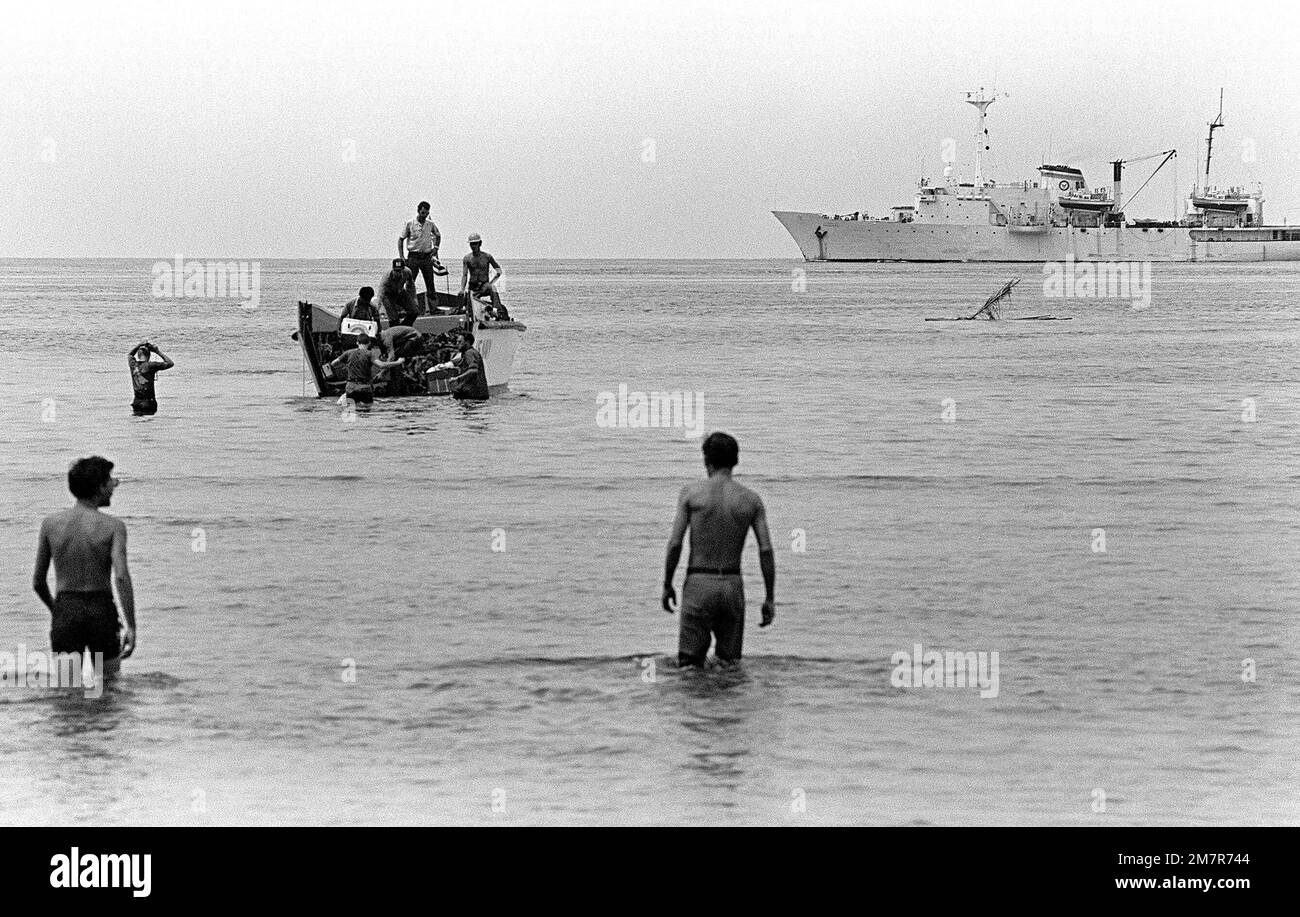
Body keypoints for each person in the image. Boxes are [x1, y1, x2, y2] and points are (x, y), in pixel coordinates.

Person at [661, 432, 775, 667]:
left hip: (699, 582)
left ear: (706, 460)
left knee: (689, 666)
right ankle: (730, 703)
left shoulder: (691, 494)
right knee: (730, 666)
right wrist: (769, 597)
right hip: (732, 585)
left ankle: (697, 703)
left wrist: (667, 584)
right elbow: (765, 550)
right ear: (736, 460)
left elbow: (675, 543)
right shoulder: (751, 500)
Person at [32, 456, 136, 680]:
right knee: (109, 687)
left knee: (66, 688)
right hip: (101, 611)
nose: (113, 487)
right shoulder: (114, 527)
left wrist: (57, 610)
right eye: (110, 482)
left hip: (66, 608)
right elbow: (120, 578)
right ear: (99, 488)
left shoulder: (50, 524)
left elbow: (38, 582)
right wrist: (131, 626)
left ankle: (73, 715)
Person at [327, 332, 405, 405]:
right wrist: (398, 362)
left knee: (350, 413)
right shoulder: (369, 354)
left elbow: (333, 363)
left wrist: (346, 365)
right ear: (369, 343)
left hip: (350, 387)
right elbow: (381, 365)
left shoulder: (348, 353)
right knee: (366, 413)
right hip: (365, 388)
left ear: (357, 343)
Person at [398, 201, 446, 301]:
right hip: (413, 257)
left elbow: (438, 235)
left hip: (426, 257)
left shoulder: (430, 224)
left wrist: (436, 248)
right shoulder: (410, 223)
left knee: (430, 283)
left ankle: (433, 308)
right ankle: (407, 306)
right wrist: (402, 256)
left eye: (427, 213)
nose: (424, 215)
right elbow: (401, 239)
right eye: (423, 213)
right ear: (418, 211)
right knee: (410, 282)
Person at [459, 233, 504, 318]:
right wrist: (462, 289)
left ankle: (498, 311)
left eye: (475, 243)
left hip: (484, 286)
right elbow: (464, 275)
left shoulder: (487, 257)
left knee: (492, 289)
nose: (473, 246)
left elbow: (499, 271)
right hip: (473, 288)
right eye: (471, 244)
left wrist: (491, 283)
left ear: (480, 243)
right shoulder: (467, 258)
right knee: (469, 309)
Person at [128, 341, 174, 416]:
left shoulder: (133, 364)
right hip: (149, 402)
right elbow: (170, 363)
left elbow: (130, 354)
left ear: (138, 355)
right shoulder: (151, 366)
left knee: (137, 424)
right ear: (149, 355)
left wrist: (139, 345)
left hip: (137, 402)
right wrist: (157, 351)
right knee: (150, 424)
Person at [448, 331, 489, 401]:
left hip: (472, 395)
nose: (457, 344)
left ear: (467, 342)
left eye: (460, 342)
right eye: (457, 342)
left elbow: (473, 370)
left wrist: (457, 378)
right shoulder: (472, 352)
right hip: (478, 394)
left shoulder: (469, 353)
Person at [380, 259, 419, 326]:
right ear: (393, 269)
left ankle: (404, 328)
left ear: (403, 270)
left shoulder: (408, 272)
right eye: (396, 271)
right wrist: (380, 309)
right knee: (394, 319)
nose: (397, 273)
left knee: (414, 312)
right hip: (388, 295)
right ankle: (395, 330)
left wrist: (414, 299)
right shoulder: (387, 277)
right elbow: (380, 294)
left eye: (399, 271)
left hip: (400, 292)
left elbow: (411, 286)